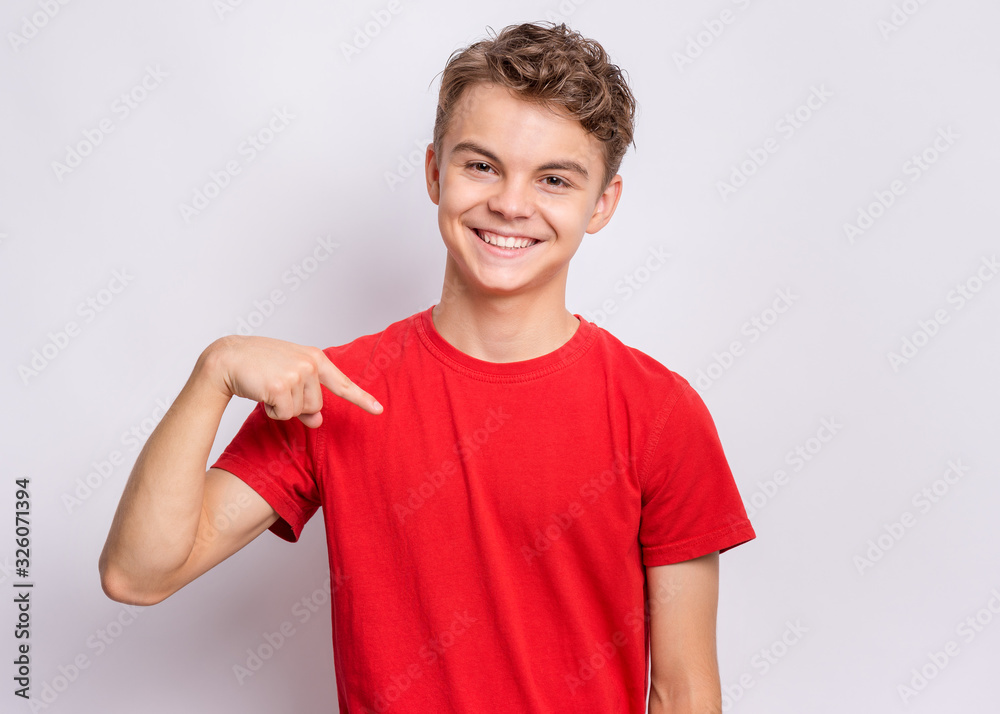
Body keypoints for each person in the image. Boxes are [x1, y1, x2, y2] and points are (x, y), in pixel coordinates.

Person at [100, 21, 755, 713]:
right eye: (481, 165)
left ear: (602, 204)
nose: (510, 203)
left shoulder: (658, 412)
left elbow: (683, 691)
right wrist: (216, 370)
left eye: (554, 179)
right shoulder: (335, 391)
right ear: (433, 171)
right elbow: (138, 573)